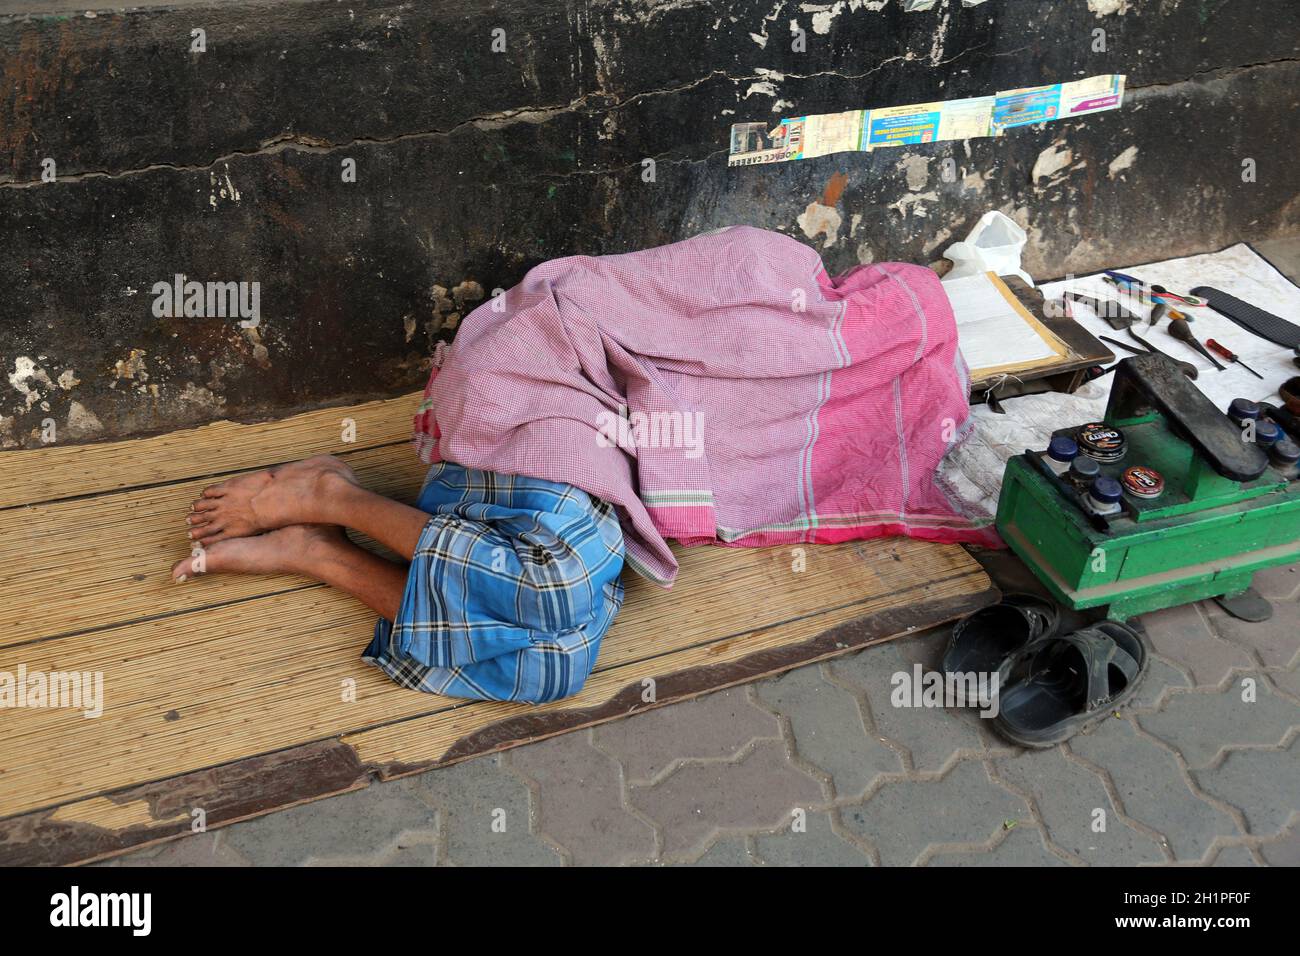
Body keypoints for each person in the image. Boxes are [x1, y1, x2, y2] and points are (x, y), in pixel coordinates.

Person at [171, 454, 626, 703]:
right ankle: (328, 495)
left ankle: (318, 551)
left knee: (555, 669)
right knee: (555, 586)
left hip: (610, 527)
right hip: (557, 456)